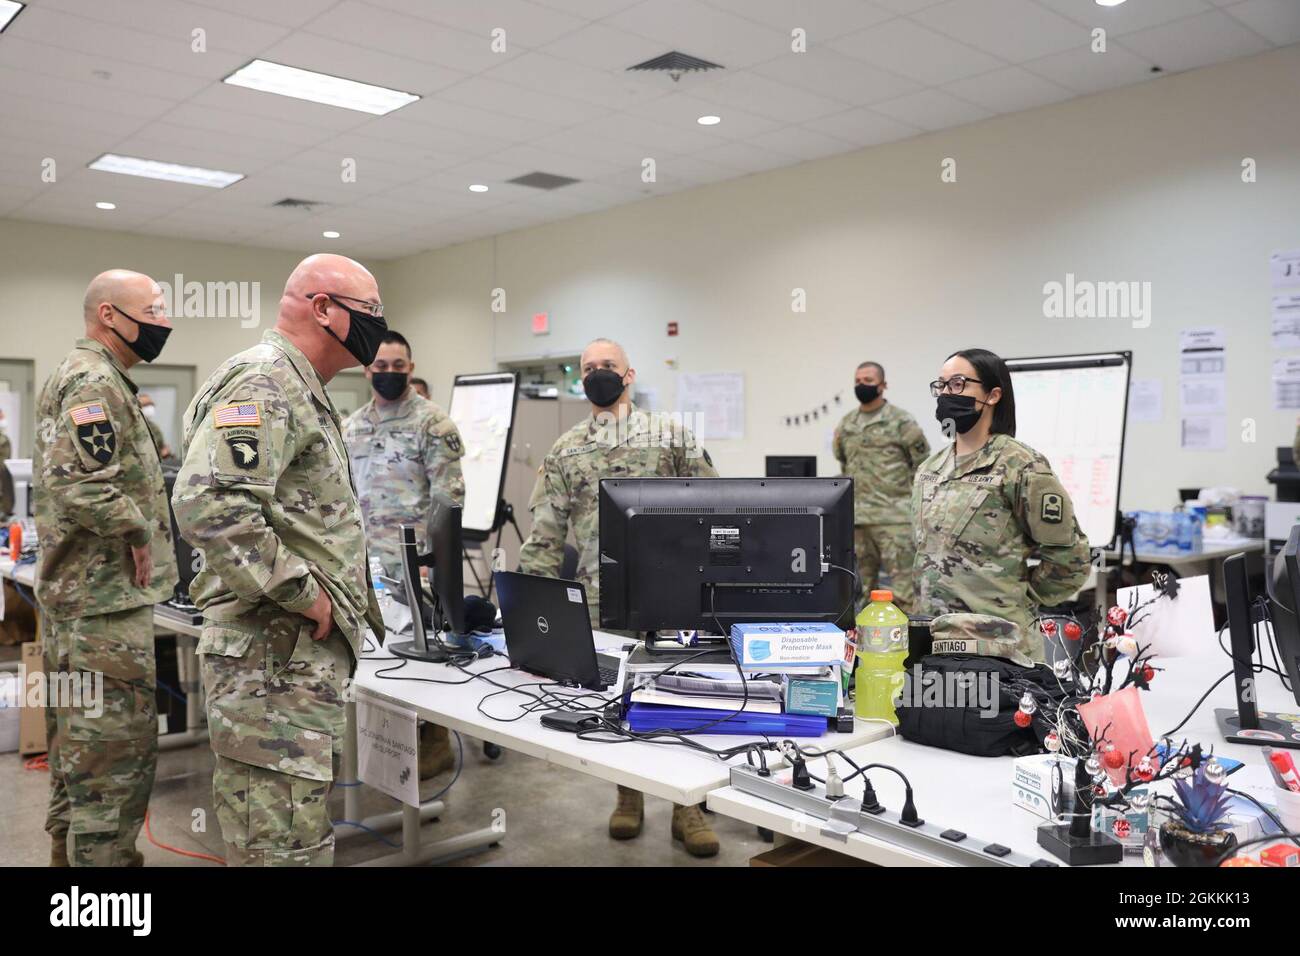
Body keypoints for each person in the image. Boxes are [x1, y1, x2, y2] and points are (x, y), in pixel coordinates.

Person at [172, 253, 385, 866]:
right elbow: (208, 502)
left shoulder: (291, 384)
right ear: (324, 309)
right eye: (370, 313)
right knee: (281, 847)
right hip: (272, 654)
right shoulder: (269, 382)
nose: (380, 326)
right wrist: (302, 591)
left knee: (287, 835)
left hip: (283, 657)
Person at [518, 338, 722, 857]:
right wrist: (522, 609)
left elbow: (715, 507)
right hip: (598, 598)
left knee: (677, 694)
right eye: (588, 369)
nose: (597, 375)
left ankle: (687, 805)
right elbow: (545, 533)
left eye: (607, 367)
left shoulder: (670, 436)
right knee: (619, 699)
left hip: (671, 595)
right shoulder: (566, 449)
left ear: (629, 375)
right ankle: (628, 794)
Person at [34, 269, 179, 866]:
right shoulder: (94, 380)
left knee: (79, 750)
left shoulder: (102, 379)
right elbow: (80, 485)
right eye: (154, 308)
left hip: (85, 601)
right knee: (113, 758)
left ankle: (70, 868)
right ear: (110, 316)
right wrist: (138, 529)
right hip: (103, 603)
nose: (164, 320)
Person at [912, 348, 1090, 661]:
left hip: (1000, 646)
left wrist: (1020, 599)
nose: (945, 394)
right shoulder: (929, 469)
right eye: (940, 386)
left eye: (957, 384)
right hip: (933, 641)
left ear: (993, 395)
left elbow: (1070, 558)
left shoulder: (1021, 465)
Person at [343, 330, 464, 779]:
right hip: (365, 563)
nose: (389, 374)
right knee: (378, 660)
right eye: (381, 366)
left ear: (410, 369)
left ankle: (434, 742)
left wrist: (439, 567)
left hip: (415, 566)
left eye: (398, 366)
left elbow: (448, 503)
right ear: (366, 369)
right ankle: (387, 751)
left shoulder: (433, 423)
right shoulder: (351, 426)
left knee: (422, 660)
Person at [832, 361, 929, 611]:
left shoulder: (901, 421)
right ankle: (863, 645)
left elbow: (923, 464)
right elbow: (843, 462)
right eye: (858, 381)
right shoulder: (846, 424)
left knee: (904, 592)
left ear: (883, 385)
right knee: (860, 593)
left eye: (868, 380)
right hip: (858, 520)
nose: (862, 385)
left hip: (894, 519)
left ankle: (909, 646)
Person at [138, 393, 174, 464]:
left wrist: (165, 452)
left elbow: (162, 448)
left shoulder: (154, 428)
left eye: (151, 404)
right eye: (145, 405)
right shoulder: (133, 427)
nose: (149, 408)